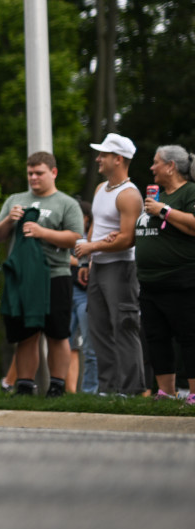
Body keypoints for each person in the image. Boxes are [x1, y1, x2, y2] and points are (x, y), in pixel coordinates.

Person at [0, 151, 84, 398]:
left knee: (57, 332)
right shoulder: (15, 199)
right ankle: (24, 385)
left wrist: (43, 232)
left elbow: (76, 238)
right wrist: (8, 222)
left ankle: (57, 385)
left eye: (39, 173)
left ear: (53, 173)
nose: (33, 177)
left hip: (55, 274)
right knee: (26, 335)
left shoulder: (66, 203)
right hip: (23, 278)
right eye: (30, 173)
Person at [74, 133, 145, 396]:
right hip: (98, 266)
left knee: (124, 326)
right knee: (99, 328)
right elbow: (96, 227)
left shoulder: (129, 195)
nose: (98, 159)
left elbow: (127, 238)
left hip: (120, 268)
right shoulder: (100, 189)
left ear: (118, 159)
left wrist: (92, 247)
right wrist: (87, 260)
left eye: (103, 155)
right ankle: (107, 389)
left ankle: (131, 390)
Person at [133, 145, 195, 402]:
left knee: (189, 336)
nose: (151, 167)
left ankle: (193, 393)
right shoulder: (155, 197)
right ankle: (166, 392)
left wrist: (163, 210)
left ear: (171, 166)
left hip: (181, 279)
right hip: (149, 282)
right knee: (156, 337)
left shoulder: (189, 192)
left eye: (156, 162)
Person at [67, 201, 99, 394]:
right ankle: (68, 391)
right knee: (65, 343)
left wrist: (74, 260)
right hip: (68, 290)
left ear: (86, 218)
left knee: (89, 345)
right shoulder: (69, 235)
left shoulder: (94, 237)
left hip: (87, 293)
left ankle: (91, 390)